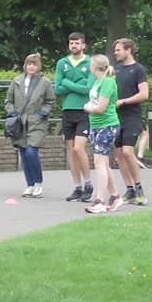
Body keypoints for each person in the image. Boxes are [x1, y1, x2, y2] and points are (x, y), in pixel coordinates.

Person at [5, 52, 55, 196]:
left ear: (38, 66)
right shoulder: (17, 81)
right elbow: (8, 100)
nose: (31, 67)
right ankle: (30, 184)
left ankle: (38, 182)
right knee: (23, 153)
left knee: (31, 152)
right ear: (25, 65)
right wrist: (12, 112)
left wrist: (42, 113)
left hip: (37, 122)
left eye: (34, 64)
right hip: (20, 122)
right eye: (29, 64)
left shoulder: (45, 82)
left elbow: (50, 101)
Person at [54, 31, 96, 202]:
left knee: (79, 148)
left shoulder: (90, 62)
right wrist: (74, 84)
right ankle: (77, 187)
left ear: (83, 45)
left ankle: (88, 184)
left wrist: (67, 82)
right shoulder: (62, 63)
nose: (74, 46)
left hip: (84, 110)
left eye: (77, 43)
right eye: (71, 43)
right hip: (67, 109)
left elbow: (88, 88)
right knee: (71, 151)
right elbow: (57, 89)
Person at [110, 37, 150, 204]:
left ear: (129, 50)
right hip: (116, 116)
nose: (115, 53)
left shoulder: (139, 69)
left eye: (118, 50)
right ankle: (129, 190)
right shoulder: (116, 70)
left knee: (127, 152)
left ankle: (139, 187)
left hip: (132, 116)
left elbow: (144, 94)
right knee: (119, 155)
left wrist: (124, 101)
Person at [84, 53, 124, 214]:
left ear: (94, 66)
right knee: (104, 163)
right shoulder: (97, 82)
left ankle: (100, 200)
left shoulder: (108, 82)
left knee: (99, 163)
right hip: (96, 125)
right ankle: (115, 196)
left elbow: (101, 108)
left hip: (107, 126)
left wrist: (88, 108)